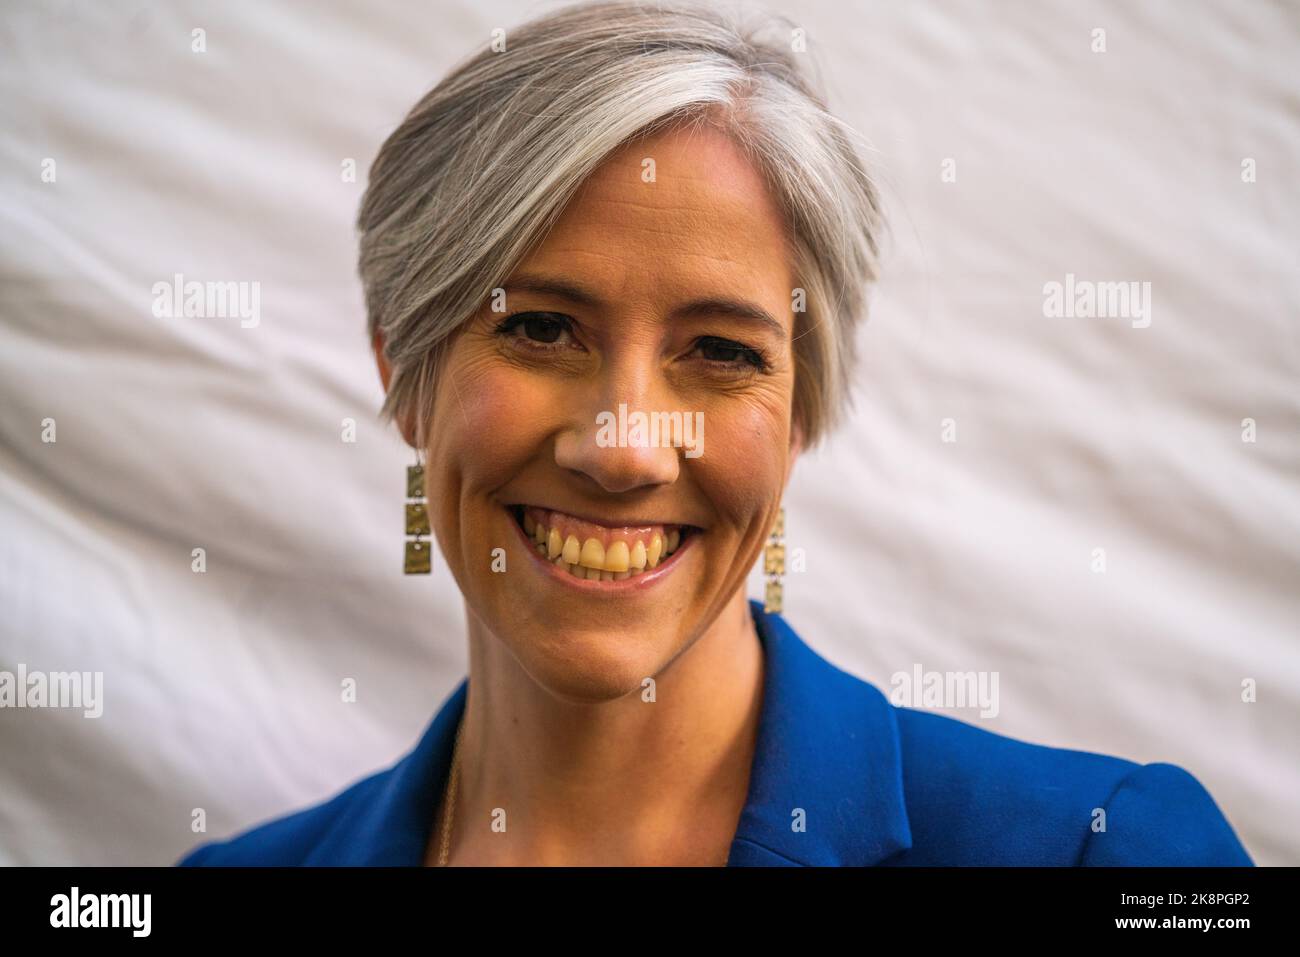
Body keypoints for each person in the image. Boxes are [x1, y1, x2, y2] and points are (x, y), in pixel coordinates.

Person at [178, 0, 1252, 867]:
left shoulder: (1106, 851)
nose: (624, 448)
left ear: (799, 411)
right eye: (542, 329)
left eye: (721, 352)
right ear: (400, 371)